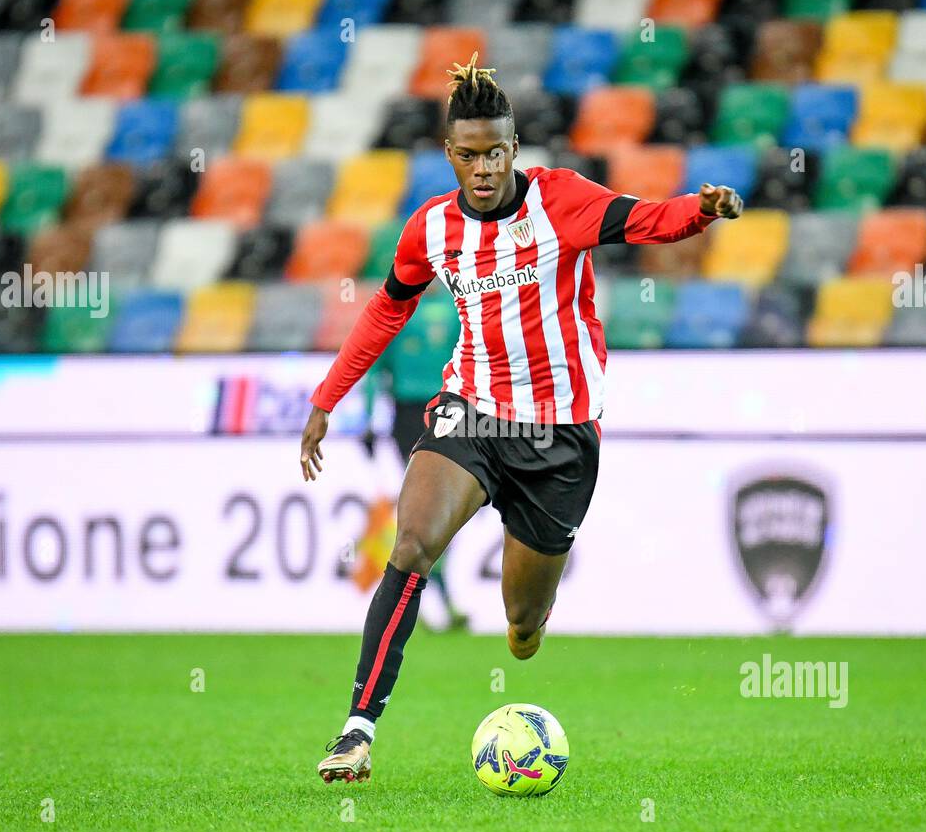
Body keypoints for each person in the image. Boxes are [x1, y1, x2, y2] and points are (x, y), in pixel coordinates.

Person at [301, 54, 743, 783]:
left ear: (515, 149)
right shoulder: (431, 230)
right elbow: (387, 309)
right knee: (411, 544)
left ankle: (529, 622)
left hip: (559, 436)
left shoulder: (559, 201)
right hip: (471, 412)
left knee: (522, 630)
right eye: (469, 155)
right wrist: (326, 399)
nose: (483, 167)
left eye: (495, 152)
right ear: (450, 154)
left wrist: (699, 210)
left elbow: (641, 221)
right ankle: (356, 730)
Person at [361, 290, 470, 632]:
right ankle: (431, 598)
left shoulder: (398, 310)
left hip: (417, 414)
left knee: (431, 512)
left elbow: (374, 369)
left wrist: (367, 420)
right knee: (435, 511)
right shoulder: (455, 311)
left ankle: (421, 598)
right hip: (437, 413)